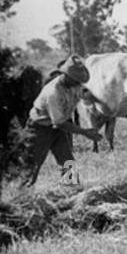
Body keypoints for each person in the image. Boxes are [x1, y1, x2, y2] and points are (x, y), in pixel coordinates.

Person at [22, 56, 101, 187]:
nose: (79, 84)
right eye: (76, 80)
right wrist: (85, 132)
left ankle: (71, 189)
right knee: (33, 165)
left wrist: (103, 103)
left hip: (58, 128)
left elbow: (86, 94)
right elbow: (59, 122)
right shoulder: (53, 92)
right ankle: (21, 195)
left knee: (68, 161)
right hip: (39, 129)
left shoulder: (75, 85)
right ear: (66, 75)